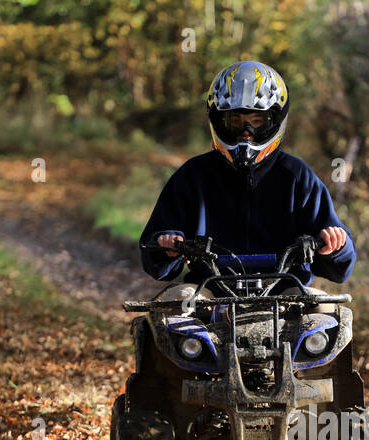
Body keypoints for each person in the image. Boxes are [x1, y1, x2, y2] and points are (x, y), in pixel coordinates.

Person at [138, 60, 356, 306]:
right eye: (236, 121)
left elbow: (341, 269)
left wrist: (337, 244)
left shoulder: (297, 177)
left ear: (275, 120)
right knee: (176, 305)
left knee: (326, 315)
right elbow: (153, 257)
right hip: (207, 294)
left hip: (286, 295)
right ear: (218, 120)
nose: (246, 132)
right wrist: (166, 245)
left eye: (257, 121)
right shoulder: (192, 177)